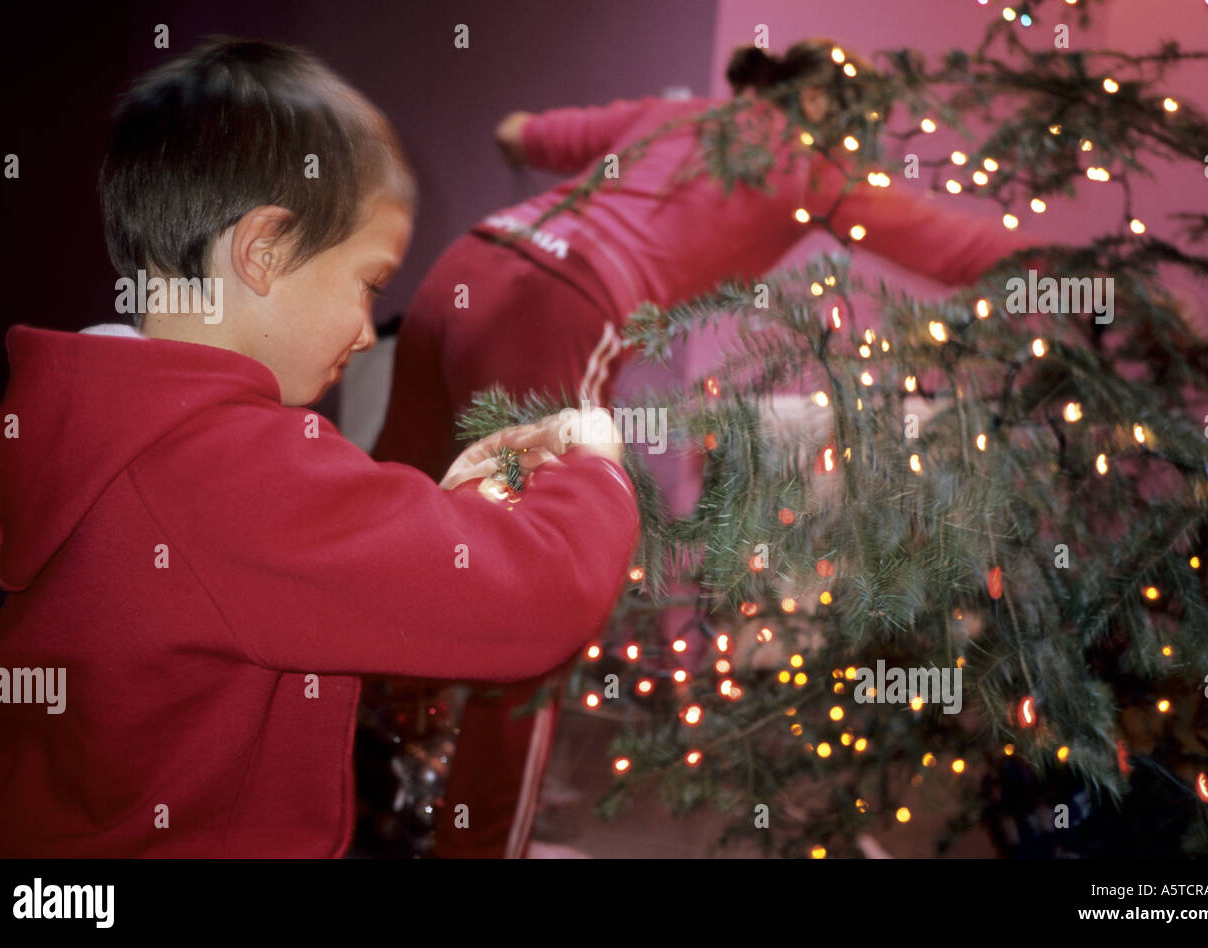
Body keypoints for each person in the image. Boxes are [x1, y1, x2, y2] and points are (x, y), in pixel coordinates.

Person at [0, 38, 637, 857]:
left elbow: (296, 587)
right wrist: (596, 466)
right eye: (369, 285)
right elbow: (538, 602)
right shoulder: (232, 469)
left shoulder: (109, 428)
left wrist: (448, 518)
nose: (363, 331)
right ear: (265, 250)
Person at [369, 38, 1034, 859]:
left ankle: (368, 773)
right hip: (563, 306)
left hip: (466, 267)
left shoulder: (678, 113)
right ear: (820, 104)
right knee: (546, 600)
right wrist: (1092, 279)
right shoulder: (807, 169)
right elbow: (953, 248)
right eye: (852, 118)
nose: (854, 139)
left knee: (391, 512)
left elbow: (518, 133)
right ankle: (477, 846)